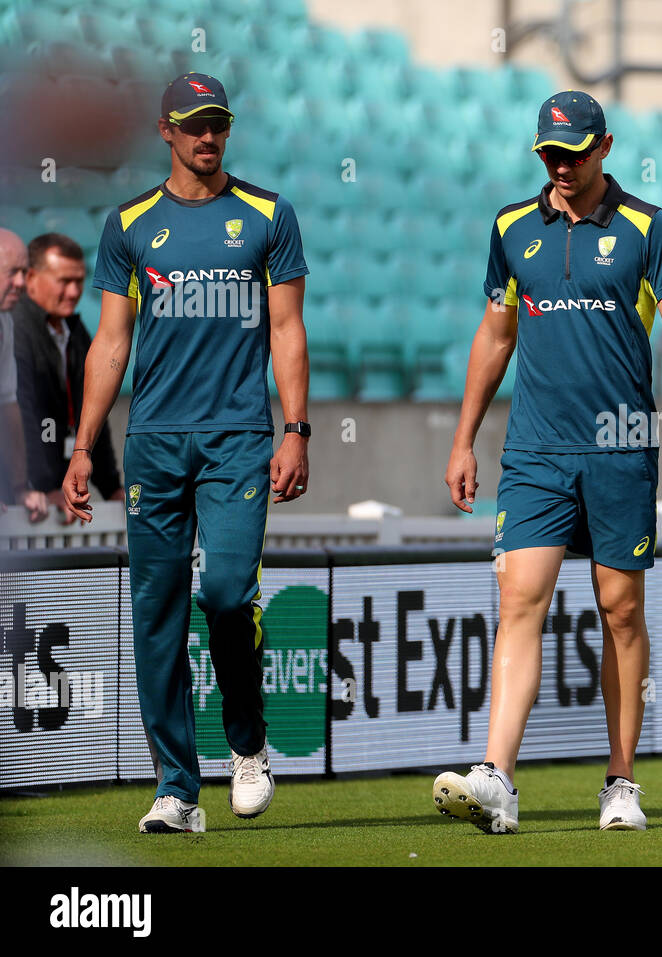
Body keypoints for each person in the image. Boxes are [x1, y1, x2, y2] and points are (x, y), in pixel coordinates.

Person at [436, 91, 662, 833]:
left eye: (574, 153)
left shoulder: (648, 227)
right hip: (534, 451)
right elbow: (495, 336)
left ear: (605, 147)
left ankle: (621, 781)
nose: (560, 166)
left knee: (621, 610)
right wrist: (463, 438)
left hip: (622, 448)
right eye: (549, 154)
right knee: (520, 599)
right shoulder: (511, 227)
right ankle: (498, 777)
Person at [61, 73, 311, 833]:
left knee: (228, 594)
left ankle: (247, 743)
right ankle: (176, 787)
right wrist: (81, 447)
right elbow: (111, 342)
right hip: (154, 444)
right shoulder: (130, 223)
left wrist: (296, 429)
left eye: (218, 124)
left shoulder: (268, 214)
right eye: (194, 124)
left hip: (239, 439)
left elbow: (287, 329)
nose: (208, 136)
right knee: (156, 611)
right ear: (165, 130)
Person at [13, 234, 124, 522]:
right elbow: (22, 414)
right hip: (25, 499)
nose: (74, 292)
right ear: (31, 278)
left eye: (79, 281)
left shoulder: (75, 331)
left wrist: (112, 488)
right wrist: (38, 487)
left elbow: (92, 412)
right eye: (64, 281)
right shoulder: (13, 328)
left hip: (58, 491)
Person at [0, 228, 47, 520]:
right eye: (12, 273)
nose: (21, 283)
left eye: (24, 272)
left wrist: (20, 488)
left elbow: (7, 406)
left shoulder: (5, 322)